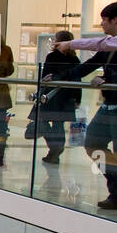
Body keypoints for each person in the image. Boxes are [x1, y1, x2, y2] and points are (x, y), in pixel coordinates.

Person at [51, 1, 117, 217]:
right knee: (93, 143)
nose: (102, 23)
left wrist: (106, 77)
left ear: (115, 20)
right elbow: (90, 64)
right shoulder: (113, 43)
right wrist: (59, 78)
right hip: (110, 105)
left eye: (104, 19)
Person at [36, 32, 80, 164]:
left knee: (44, 121)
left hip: (52, 95)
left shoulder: (52, 57)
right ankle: (56, 150)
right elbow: (77, 81)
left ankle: (54, 149)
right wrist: (77, 99)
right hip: (67, 97)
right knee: (58, 124)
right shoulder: (75, 60)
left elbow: (45, 76)